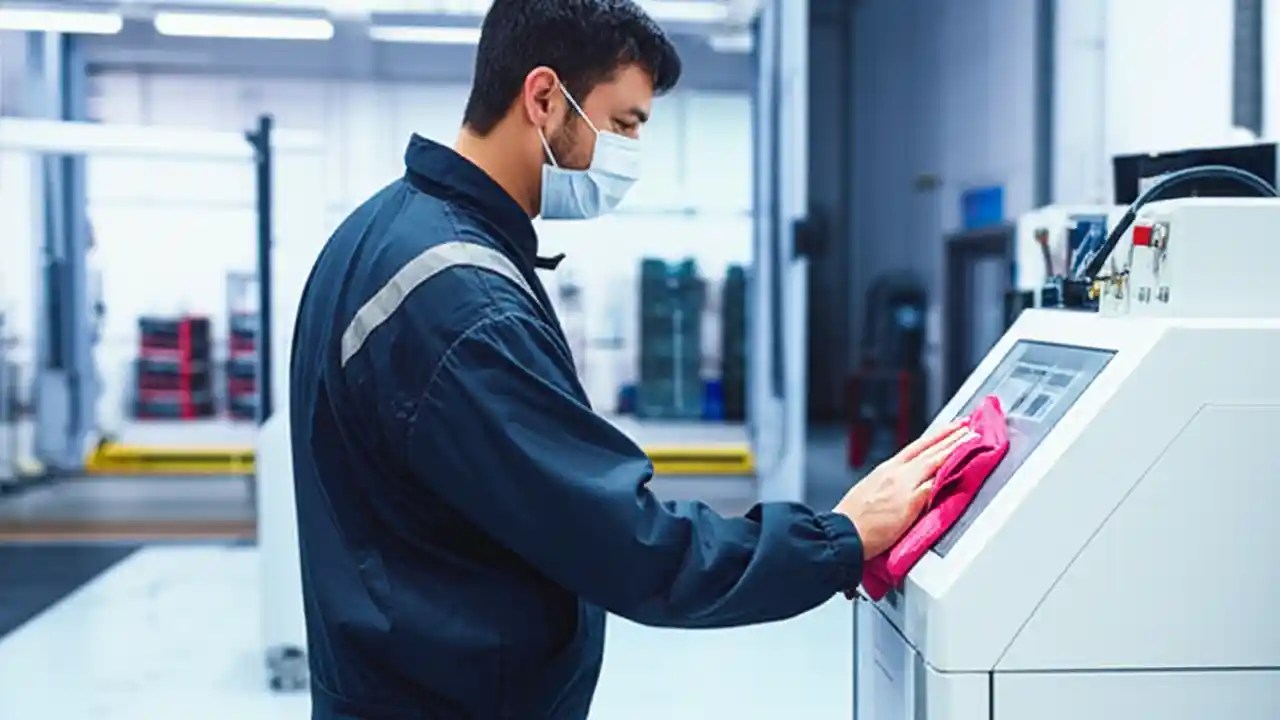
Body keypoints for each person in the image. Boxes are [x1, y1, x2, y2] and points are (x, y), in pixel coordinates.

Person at [289, 1, 972, 718]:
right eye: (623, 125)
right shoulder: (459, 302)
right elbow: (632, 546)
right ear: (545, 99)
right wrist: (837, 538)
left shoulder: (380, 232)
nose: (629, 155)